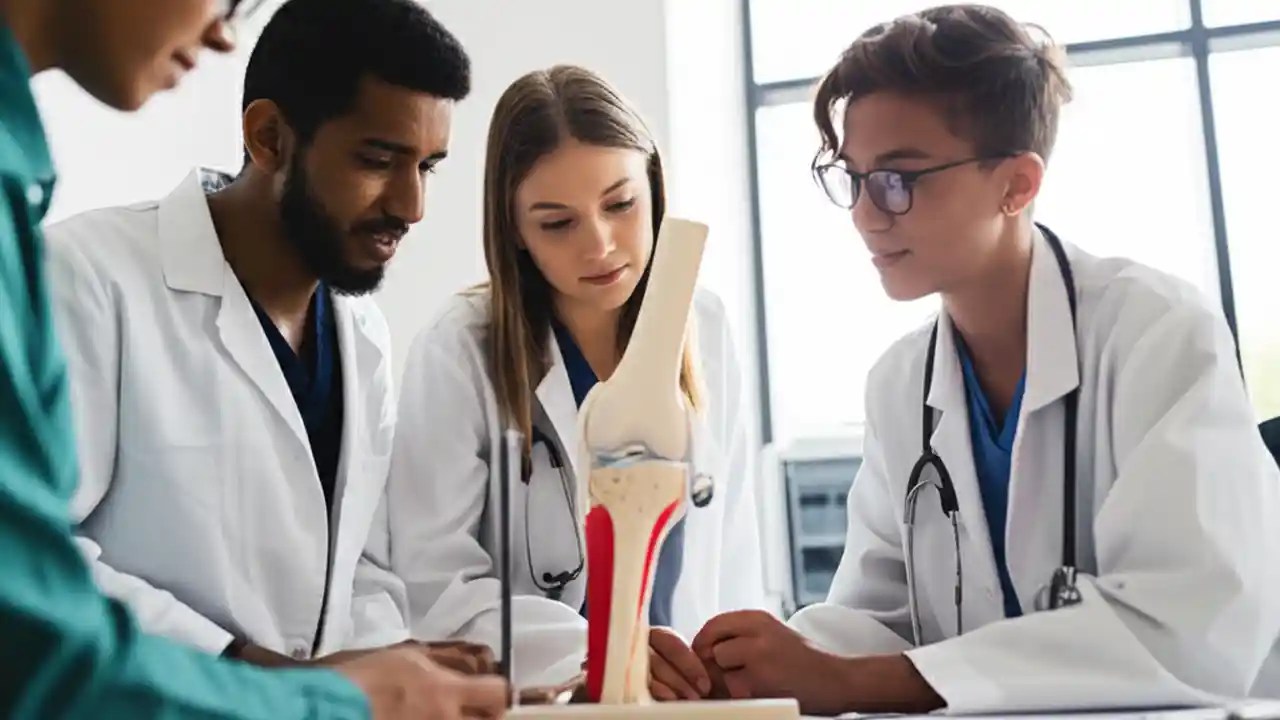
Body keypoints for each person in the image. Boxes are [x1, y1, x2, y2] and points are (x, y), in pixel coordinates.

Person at [690, 4, 1280, 715]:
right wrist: (747, 667)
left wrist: (849, 681)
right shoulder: (900, 383)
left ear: (1017, 185)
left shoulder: (1157, 333)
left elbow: (1186, 631)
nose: (865, 215)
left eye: (899, 179)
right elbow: (879, 622)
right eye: (854, 177)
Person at [0, 0, 505, 717]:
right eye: (377, 160)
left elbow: (358, 570)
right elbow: (43, 569)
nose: (411, 204)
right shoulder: (83, 276)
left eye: (427, 166)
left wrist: (403, 669)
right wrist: (262, 671)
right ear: (269, 138)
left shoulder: (362, 335)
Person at [386, 64, 767, 695]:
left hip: (691, 698)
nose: (600, 245)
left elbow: (733, 551)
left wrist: (736, 676)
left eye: (620, 204)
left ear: (654, 188)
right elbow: (436, 587)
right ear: (514, 230)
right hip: (550, 696)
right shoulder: (460, 349)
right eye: (557, 223)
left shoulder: (705, 325)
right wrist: (607, 655)